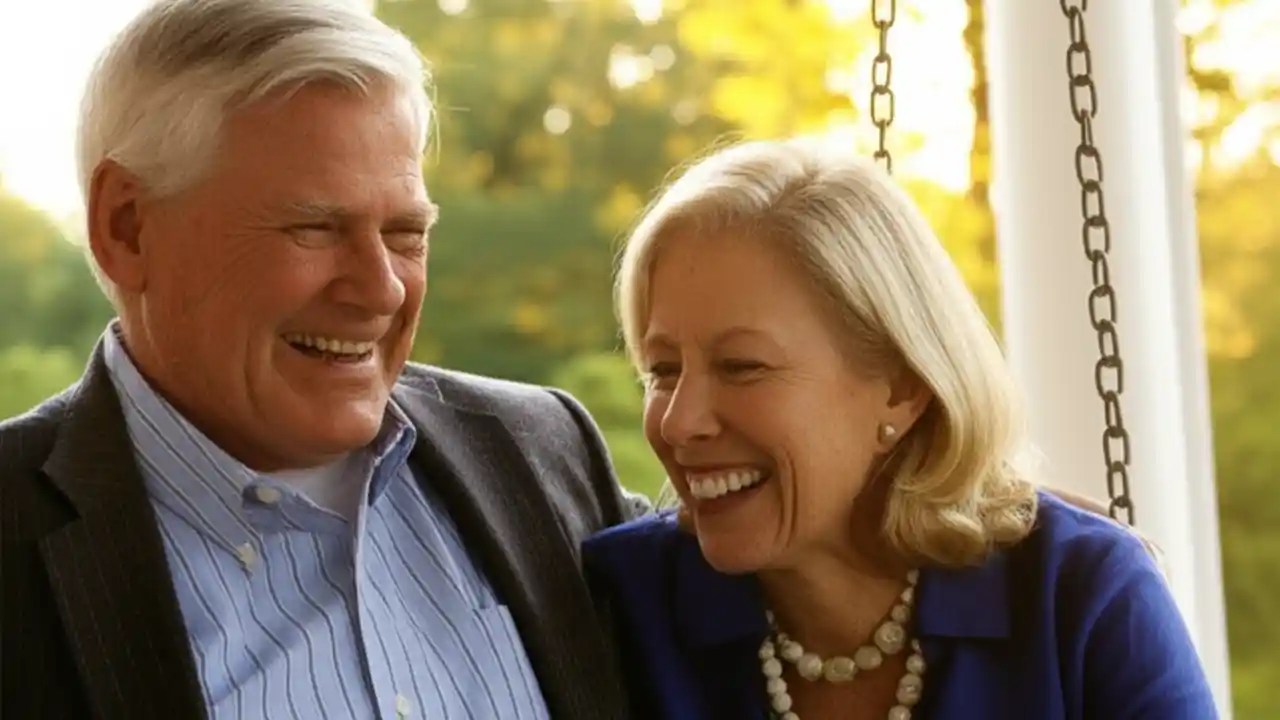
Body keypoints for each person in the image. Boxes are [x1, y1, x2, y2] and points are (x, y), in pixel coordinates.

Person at [0, 1, 639, 718]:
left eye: (405, 233)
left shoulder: (542, 452)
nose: (382, 288)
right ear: (128, 227)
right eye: (313, 227)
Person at [583, 138, 1217, 719]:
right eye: (662, 370)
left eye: (742, 367)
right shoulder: (618, 607)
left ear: (904, 386)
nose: (679, 420)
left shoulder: (1080, 594)